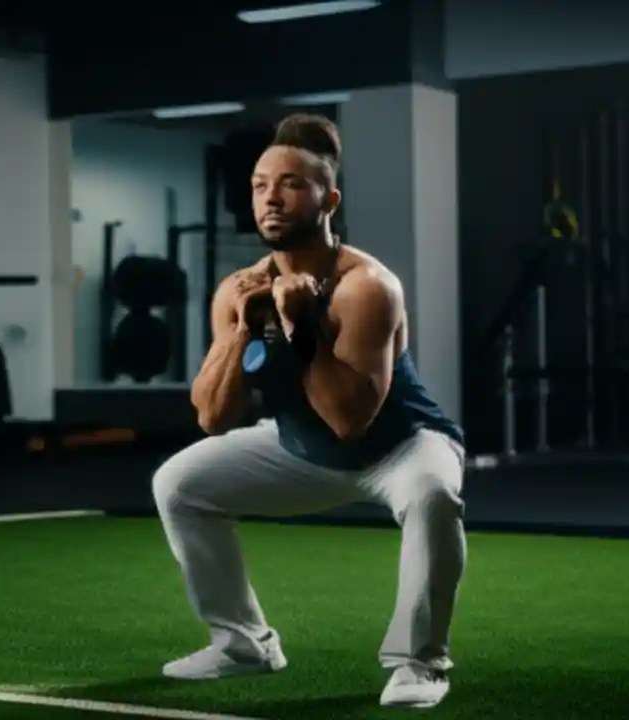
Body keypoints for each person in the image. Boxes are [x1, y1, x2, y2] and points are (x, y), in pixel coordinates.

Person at [151, 114, 467, 710]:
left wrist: (299, 327)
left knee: (431, 495)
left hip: (401, 446)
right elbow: (213, 417)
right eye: (259, 185)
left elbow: (351, 420)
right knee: (179, 483)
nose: (271, 198)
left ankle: (419, 662)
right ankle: (243, 644)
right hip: (302, 445)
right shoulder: (239, 289)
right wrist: (244, 329)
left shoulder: (367, 287)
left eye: (292, 184)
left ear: (330, 200)